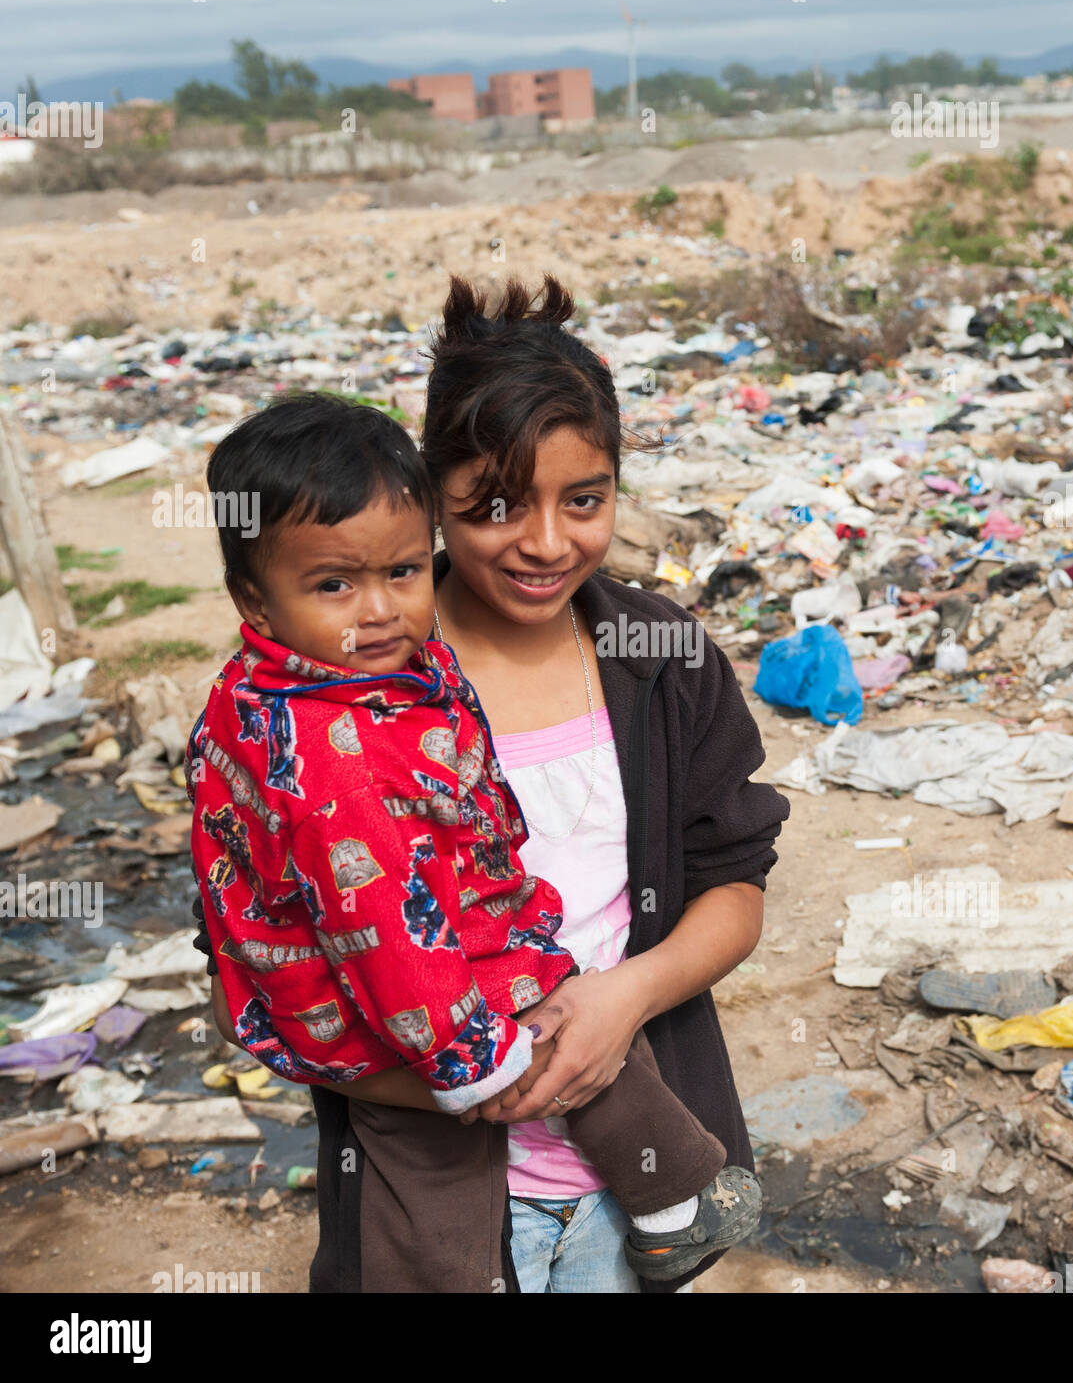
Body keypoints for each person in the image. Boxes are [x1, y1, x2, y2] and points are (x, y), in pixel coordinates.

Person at [194, 273, 789, 1292]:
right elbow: (250, 962)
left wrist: (621, 1002)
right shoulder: (312, 715)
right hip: (434, 1191)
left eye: (586, 501)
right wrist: (468, 1085)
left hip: (631, 1183)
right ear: (433, 498)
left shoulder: (659, 655)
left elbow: (734, 885)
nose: (548, 543)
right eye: (496, 507)